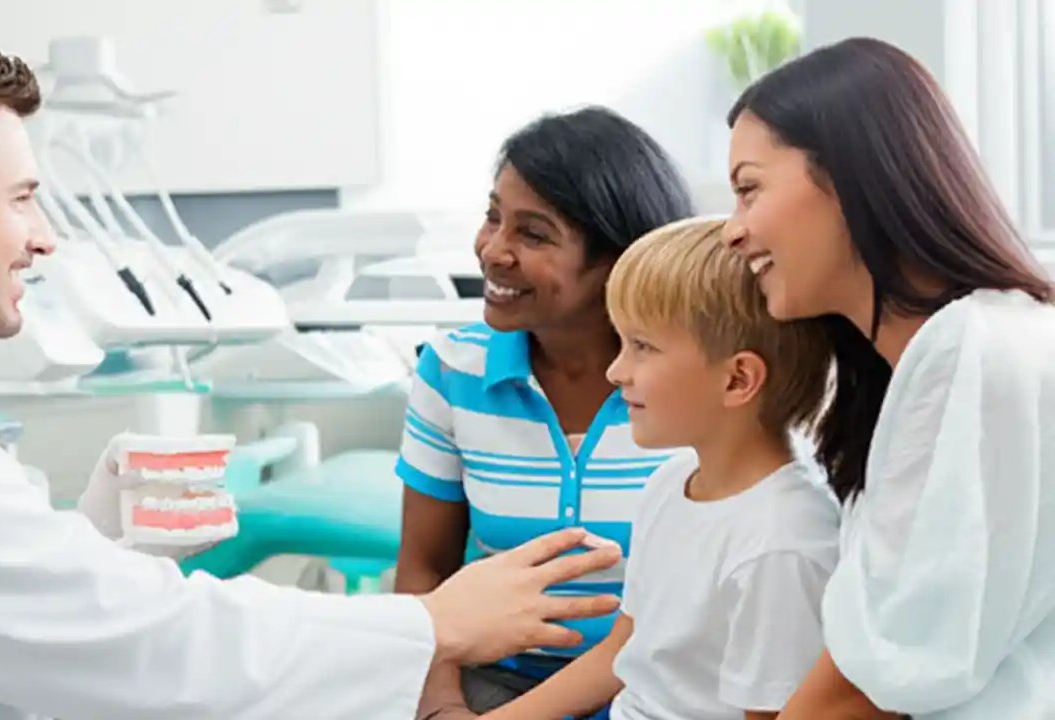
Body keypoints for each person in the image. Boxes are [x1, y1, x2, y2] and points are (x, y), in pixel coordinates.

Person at [0, 27, 623, 720]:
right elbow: (160, 644)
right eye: (23, 197)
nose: (44, 237)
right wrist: (431, 625)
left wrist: (89, 544)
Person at [721, 37, 1055, 719]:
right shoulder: (969, 346)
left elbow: (871, 683)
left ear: (848, 177)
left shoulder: (972, 351)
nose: (732, 231)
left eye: (749, 189)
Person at [394, 106, 694, 719]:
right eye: (493, 218)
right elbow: (424, 570)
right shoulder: (453, 370)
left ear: (618, 260)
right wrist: (441, 707)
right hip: (494, 685)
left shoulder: (695, 384)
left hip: (653, 690)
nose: (493, 251)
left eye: (532, 235)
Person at [482, 216, 839, 720]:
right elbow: (622, 653)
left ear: (738, 379)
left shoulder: (782, 542)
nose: (616, 371)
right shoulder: (672, 481)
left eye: (642, 347)